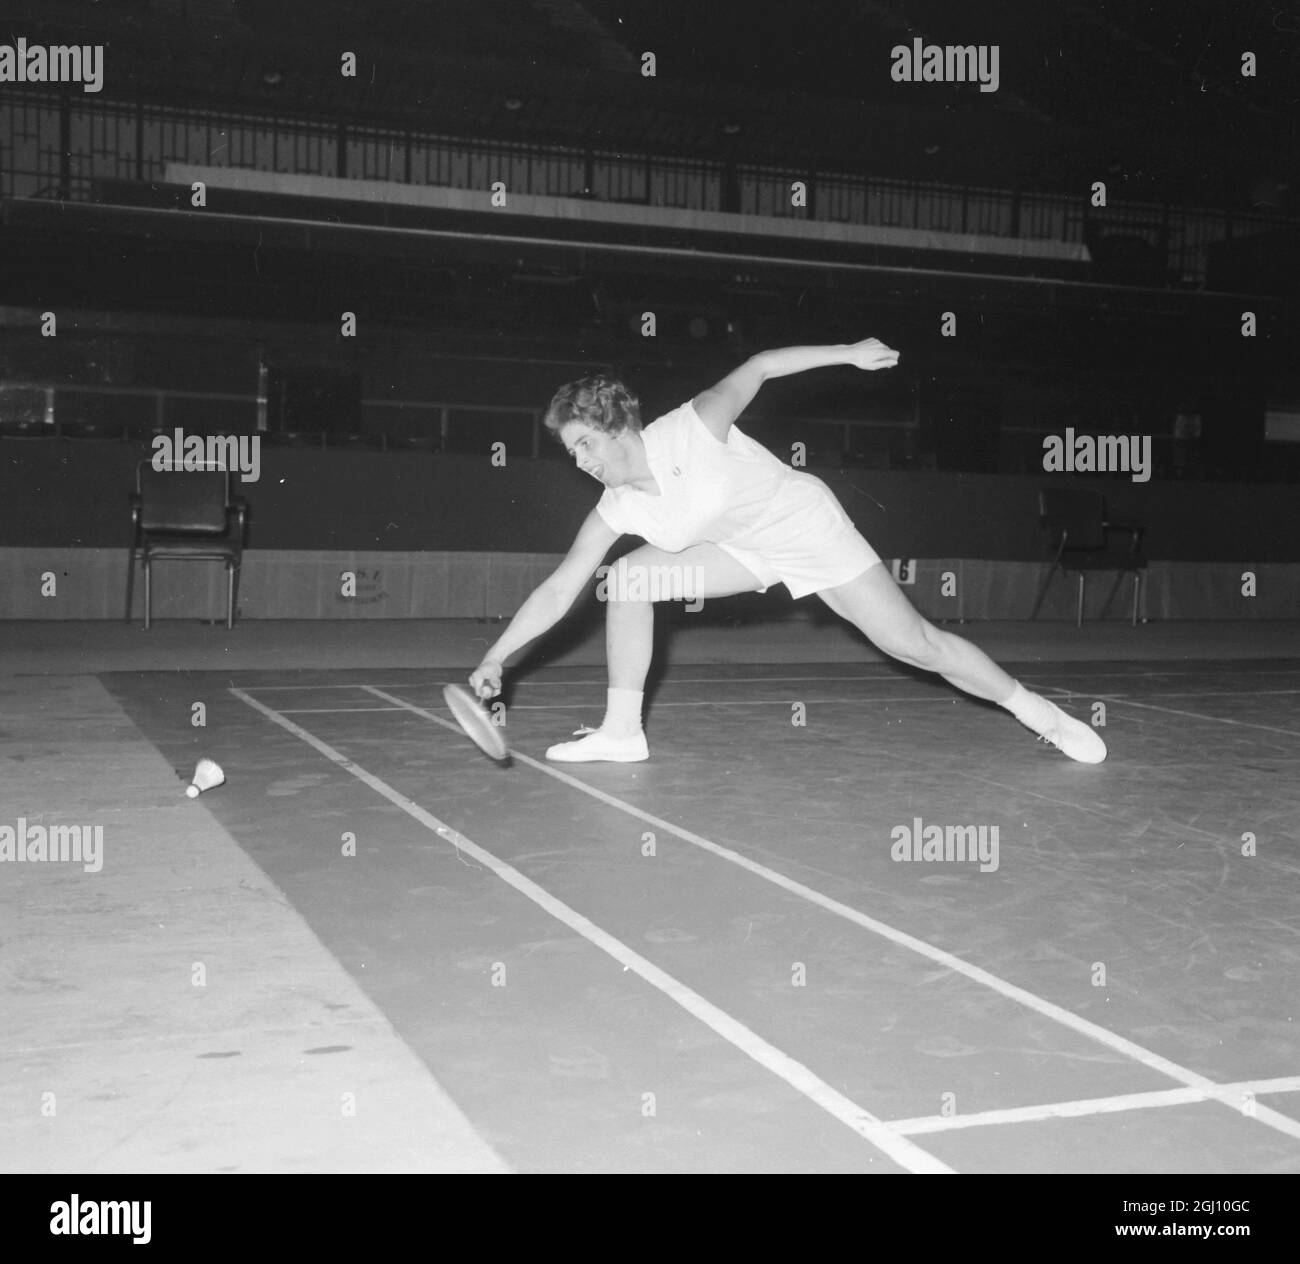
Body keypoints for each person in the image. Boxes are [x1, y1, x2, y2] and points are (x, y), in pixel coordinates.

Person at [468, 339, 1106, 765]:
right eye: (571, 452)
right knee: (629, 580)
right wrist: (498, 657)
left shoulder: (694, 427)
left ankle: (1040, 714)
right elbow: (560, 588)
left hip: (805, 528)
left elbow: (762, 365)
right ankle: (621, 732)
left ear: (616, 428)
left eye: (584, 445)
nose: (579, 462)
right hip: (743, 550)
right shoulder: (617, 506)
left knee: (913, 644)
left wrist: (851, 354)